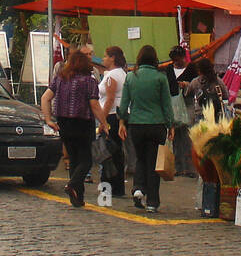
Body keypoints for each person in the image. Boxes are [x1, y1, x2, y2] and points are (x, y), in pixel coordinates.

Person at [41, 49, 108, 208]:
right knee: (86, 160)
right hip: (83, 123)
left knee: (73, 158)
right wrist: (104, 123)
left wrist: (48, 119)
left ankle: (77, 197)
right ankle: (73, 185)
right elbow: (94, 105)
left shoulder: (59, 79)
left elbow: (45, 98)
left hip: (64, 123)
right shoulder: (89, 81)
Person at [118, 45, 174, 213]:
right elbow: (167, 105)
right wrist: (171, 125)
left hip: (136, 125)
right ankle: (152, 202)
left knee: (140, 158)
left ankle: (138, 188)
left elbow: (124, 103)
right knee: (153, 163)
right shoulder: (160, 78)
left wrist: (122, 122)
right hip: (157, 125)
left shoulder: (130, 77)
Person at [97, 46, 128, 196]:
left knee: (109, 152)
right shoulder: (121, 74)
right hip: (118, 114)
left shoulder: (112, 77)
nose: (103, 59)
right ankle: (117, 186)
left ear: (112, 58)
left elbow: (109, 99)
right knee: (116, 152)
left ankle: (110, 186)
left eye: (105, 56)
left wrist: (102, 120)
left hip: (111, 115)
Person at [165, 46, 197, 177]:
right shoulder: (168, 69)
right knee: (176, 136)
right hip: (173, 105)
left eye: (178, 60)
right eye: (174, 60)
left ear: (184, 57)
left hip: (187, 104)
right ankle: (179, 167)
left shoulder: (192, 69)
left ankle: (190, 168)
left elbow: (196, 86)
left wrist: (187, 85)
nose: (176, 62)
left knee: (188, 136)